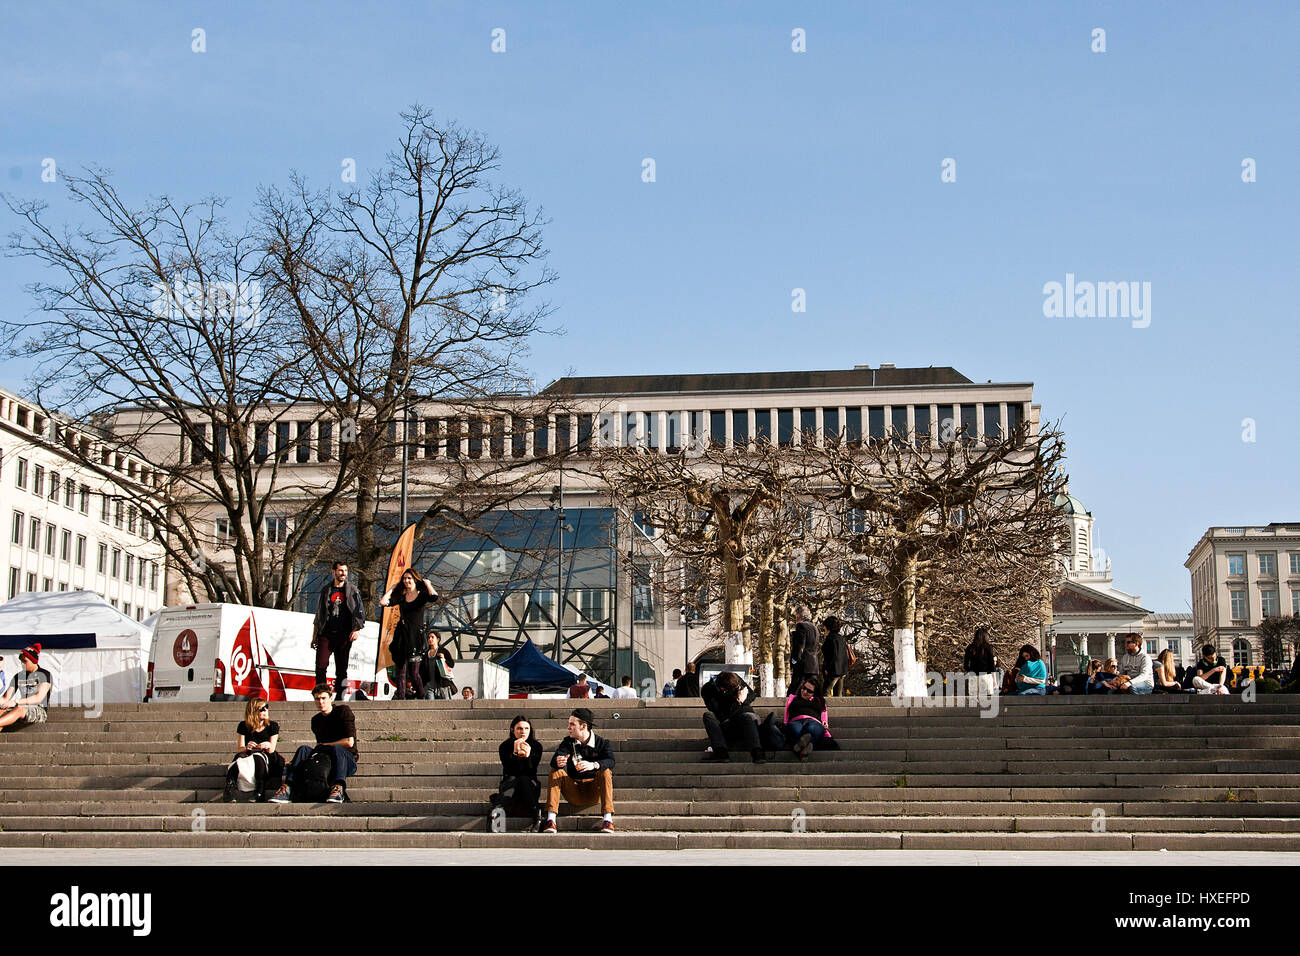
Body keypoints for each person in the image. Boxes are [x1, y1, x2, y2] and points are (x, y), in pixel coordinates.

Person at [271, 684, 358, 803]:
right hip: (326, 760)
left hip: (346, 760)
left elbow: (349, 742)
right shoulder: (316, 720)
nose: (320, 702)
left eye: (323, 698)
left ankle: (338, 788)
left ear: (331, 698)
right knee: (303, 749)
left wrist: (326, 745)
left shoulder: (343, 711)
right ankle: (288, 788)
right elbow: (320, 746)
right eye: (317, 699)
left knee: (337, 748)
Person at [541, 708, 616, 833]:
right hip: (574, 790)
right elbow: (554, 760)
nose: (568, 727)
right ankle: (551, 819)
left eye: (572, 724)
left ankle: (607, 819)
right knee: (555, 771)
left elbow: (611, 761)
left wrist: (594, 765)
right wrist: (558, 761)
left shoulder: (601, 743)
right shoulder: (568, 742)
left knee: (606, 771)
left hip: (594, 791)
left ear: (583, 726)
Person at [379, 569, 439, 700]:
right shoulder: (402, 597)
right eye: (405, 578)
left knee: (413, 672)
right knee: (400, 671)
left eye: (409, 578)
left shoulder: (422, 595)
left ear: (415, 580)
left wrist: (428, 584)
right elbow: (383, 602)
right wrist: (392, 588)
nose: (406, 581)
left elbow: (434, 597)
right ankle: (400, 699)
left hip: (415, 637)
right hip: (402, 635)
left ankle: (421, 695)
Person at [312, 561, 366, 701]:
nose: (343, 574)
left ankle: (340, 696)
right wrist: (314, 636)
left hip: (344, 634)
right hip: (326, 633)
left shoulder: (352, 590)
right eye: (341, 571)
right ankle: (321, 694)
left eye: (346, 571)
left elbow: (360, 612)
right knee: (321, 665)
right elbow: (319, 614)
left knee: (341, 668)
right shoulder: (326, 590)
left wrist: (356, 629)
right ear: (334, 572)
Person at [700, 670, 766, 764]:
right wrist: (737, 701)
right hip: (726, 723)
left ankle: (757, 752)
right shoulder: (708, 690)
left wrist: (743, 699)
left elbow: (751, 694)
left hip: (745, 720)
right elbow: (720, 713)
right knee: (708, 716)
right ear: (723, 689)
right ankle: (721, 752)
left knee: (748, 716)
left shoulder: (735, 679)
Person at [224, 699, 283, 801]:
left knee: (258, 757)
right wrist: (247, 747)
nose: (266, 710)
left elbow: (272, 749)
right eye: (262, 709)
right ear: (253, 711)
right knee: (239, 758)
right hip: (249, 754)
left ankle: (260, 790)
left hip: (267, 757)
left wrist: (267, 744)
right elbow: (240, 748)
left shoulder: (272, 726)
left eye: (267, 707)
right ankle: (229, 789)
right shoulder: (243, 725)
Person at [493, 716, 542, 824]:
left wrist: (528, 756)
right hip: (510, 786)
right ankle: (496, 817)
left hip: (529, 786)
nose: (523, 732)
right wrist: (515, 753)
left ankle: (537, 817)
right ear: (512, 730)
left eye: (526, 728)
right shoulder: (505, 746)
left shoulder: (536, 746)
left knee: (524, 779)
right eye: (519, 728)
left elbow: (531, 771)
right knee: (513, 779)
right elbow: (509, 769)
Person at [0, 644, 51, 730]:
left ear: (33, 660)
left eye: (25, 661)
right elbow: (5, 698)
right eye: (21, 661)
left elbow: (38, 697)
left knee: (20, 708)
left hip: (38, 710)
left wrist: (16, 702)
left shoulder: (44, 674)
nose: (22, 664)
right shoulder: (18, 676)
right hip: (20, 708)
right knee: (1, 710)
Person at [785, 677, 832, 759]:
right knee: (796, 730)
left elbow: (824, 714)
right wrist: (785, 723)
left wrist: (824, 722)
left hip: (813, 721)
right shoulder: (793, 698)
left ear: (815, 693)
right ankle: (807, 746)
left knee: (812, 729)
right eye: (804, 688)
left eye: (809, 691)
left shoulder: (819, 701)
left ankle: (798, 747)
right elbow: (787, 713)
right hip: (796, 721)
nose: (805, 692)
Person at [789, 605, 820, 692]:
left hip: (803, 664)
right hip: (813, 663)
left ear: (799, 615)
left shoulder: (801, 626)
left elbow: (799, 645)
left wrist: (794, 660)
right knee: (811, 689)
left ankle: (790, 705)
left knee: (795, 688)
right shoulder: (814, 627)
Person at [962, 627, 999, 700]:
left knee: (974, 701)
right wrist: (995, 681)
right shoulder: (988, 647)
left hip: (973, 676)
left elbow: (965, 664)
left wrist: (970, 671)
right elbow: (992, 665)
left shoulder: (970, 647)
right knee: (987, 702)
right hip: (985, 676)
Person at [821, 616, 851, 697]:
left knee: (825, 691)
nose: (824, 628)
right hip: (842, 670)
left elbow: (831, 656)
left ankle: (825, 709)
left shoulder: (830, 638)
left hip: (833, 671)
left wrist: (827, 668)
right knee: (838, 694)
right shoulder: (840, 638)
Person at [420, 633, 457, 700]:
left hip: (442, 685)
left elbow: (452, 664)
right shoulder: (425, 653)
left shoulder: (443, 651)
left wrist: (444, 659)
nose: (430, 639)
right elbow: (421, 669)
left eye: (432, 637)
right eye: (428, 637)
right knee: (430, 707)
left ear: (438, 639)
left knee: (444, 706)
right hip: (429, 686)